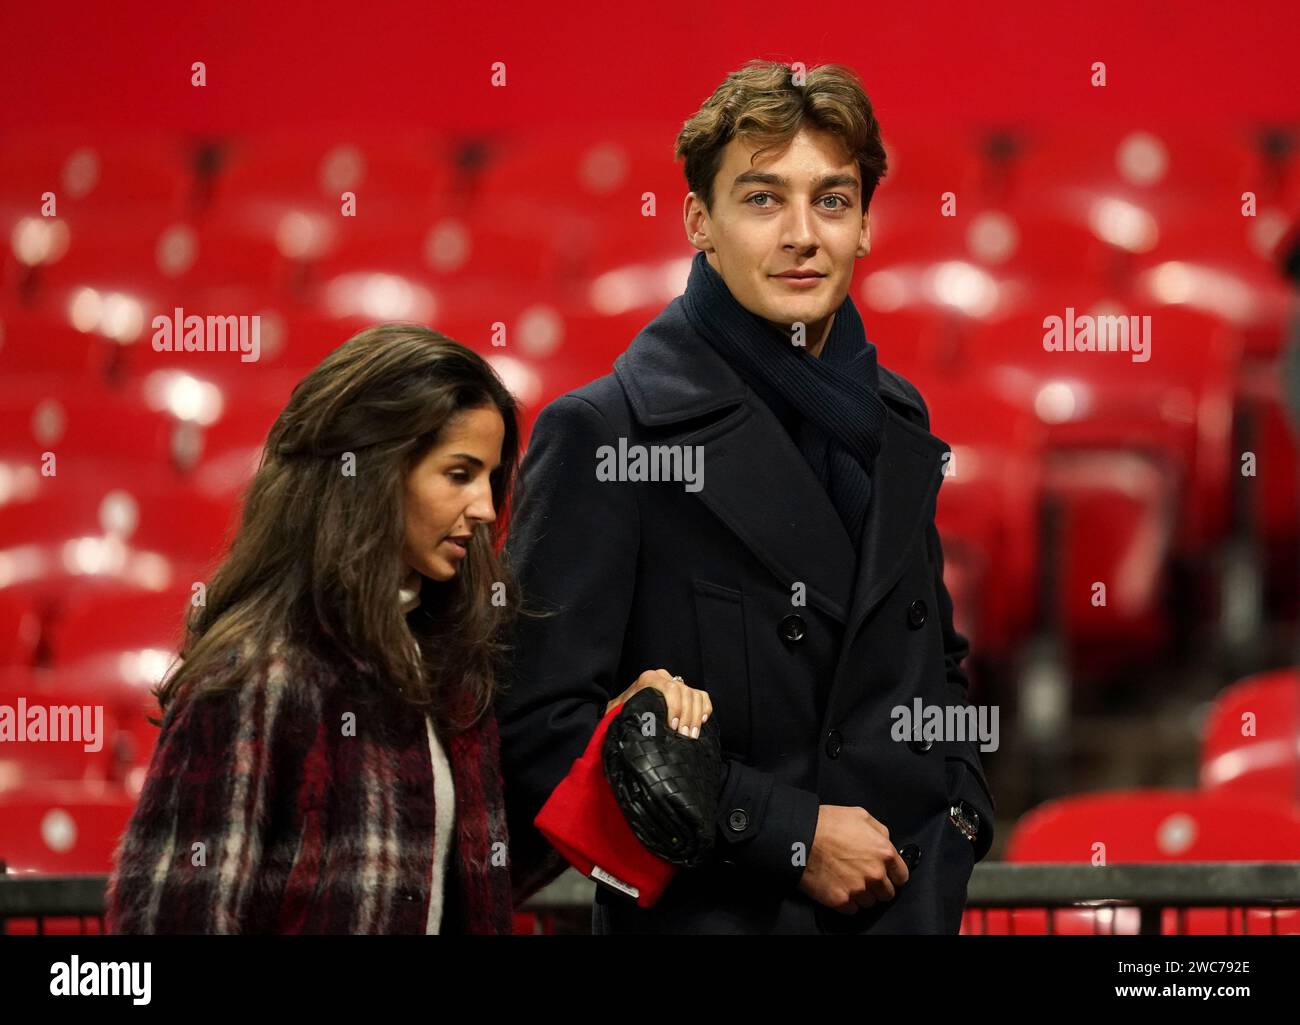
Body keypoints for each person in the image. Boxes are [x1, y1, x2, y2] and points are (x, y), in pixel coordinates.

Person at [498, 60, 995, 934]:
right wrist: (792, 835)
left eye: (832, 201)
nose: (803, 234)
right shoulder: (606, 433)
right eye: (763, 199)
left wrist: (958, 815)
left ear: (866, 225)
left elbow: (937, 669)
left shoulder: (895, 416)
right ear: (701, 221)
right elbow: (540, 731)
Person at [106, 324, 522, 933]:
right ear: (374, 471)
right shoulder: (256, 673)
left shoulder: (448, 668)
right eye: (459, 474)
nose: (486, 507)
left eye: (489, 478)